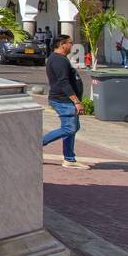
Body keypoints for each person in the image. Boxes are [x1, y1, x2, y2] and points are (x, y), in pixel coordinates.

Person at [41, 35, 89, 169]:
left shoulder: (60, 59)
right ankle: (38, 143)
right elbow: (63, 82)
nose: (72, 45)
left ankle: (69, 159)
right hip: (63, 100)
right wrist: (76, 101)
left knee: (72, 129)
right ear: (62, 44)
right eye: (70, 43)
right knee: (69, 128)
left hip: (66, 100)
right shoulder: (58, 60)